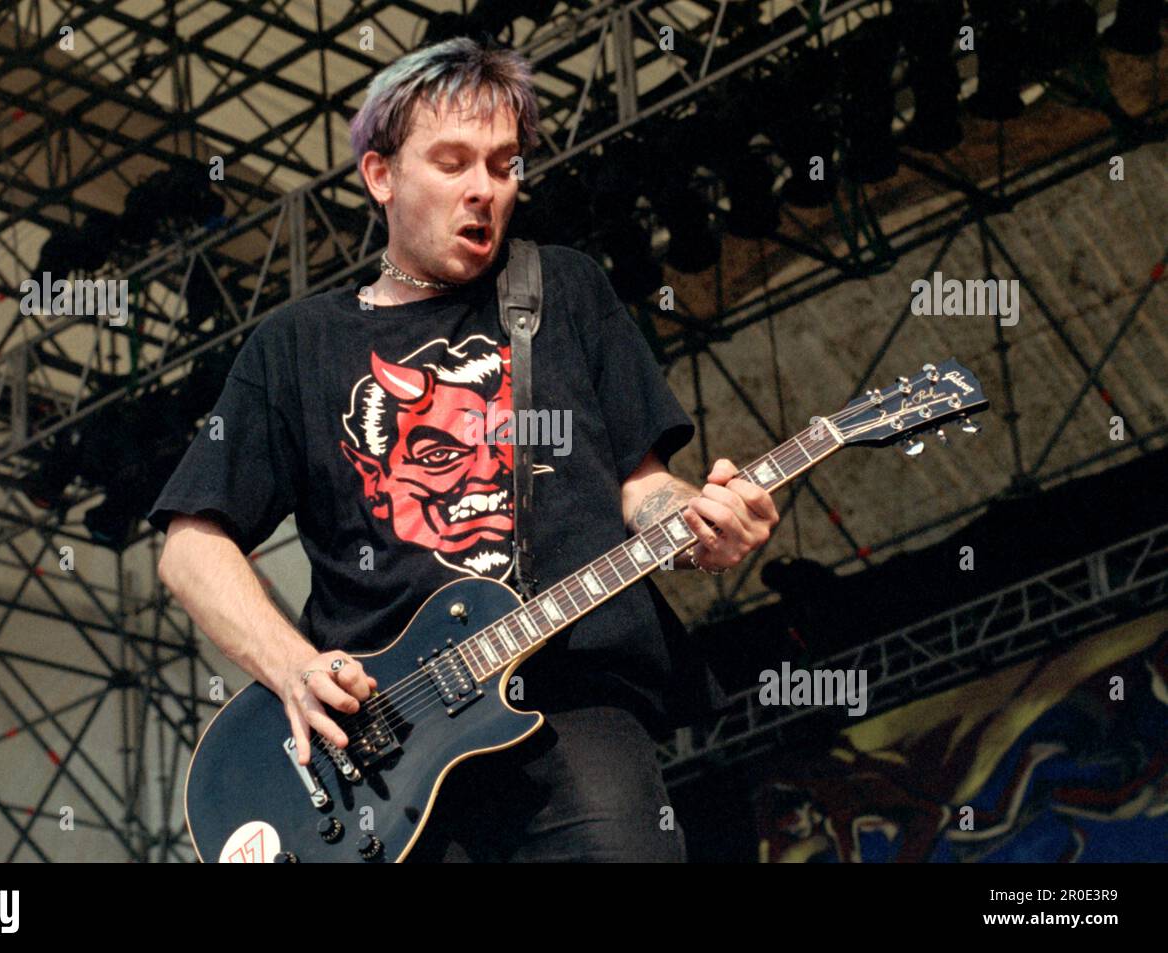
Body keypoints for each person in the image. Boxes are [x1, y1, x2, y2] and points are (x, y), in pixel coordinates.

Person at [150, 36, 779, 863]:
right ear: (381, 176)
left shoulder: (565, 291)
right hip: (381, 744)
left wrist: (695, 523)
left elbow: (641, 485)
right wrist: (295, 668)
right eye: (452, 162)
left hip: (572, 707)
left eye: (503, 164)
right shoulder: (296, 346)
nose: (484, 188)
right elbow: (192, 546)